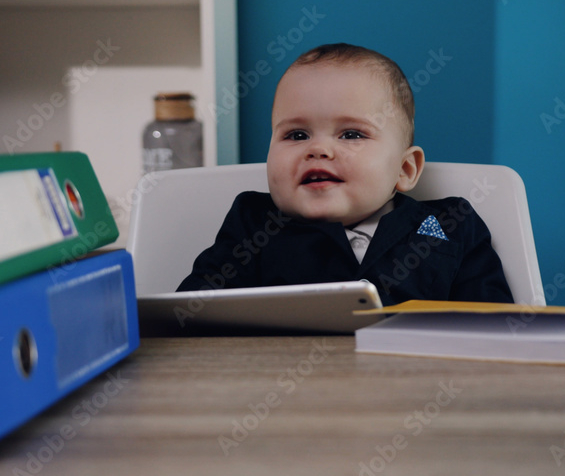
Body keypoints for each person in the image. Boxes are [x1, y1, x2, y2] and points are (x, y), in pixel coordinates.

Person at [177, 43, 513, 305]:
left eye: (351, 134)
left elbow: (493, 330)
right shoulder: (253, 223)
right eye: (296, 135)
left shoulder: (452, 225)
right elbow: (194, 313)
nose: (318, 150)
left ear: (405, 169)